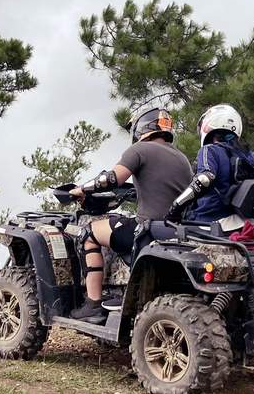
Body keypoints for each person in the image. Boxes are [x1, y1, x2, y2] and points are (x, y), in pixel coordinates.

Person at [68, 107, 193, 323]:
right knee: (117, 225)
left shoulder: (140, 150)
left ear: (141, 127)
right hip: (175, 231)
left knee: (89, 233)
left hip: (147, 228)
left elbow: (111, 179)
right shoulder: (182, 158)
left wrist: (82, 190)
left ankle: (93, 304)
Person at [188, 104, 254, 225]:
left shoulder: (209, 150)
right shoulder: (247, 154)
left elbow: (204, 179)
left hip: (208, 222)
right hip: (244, 223)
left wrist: (175, 207)